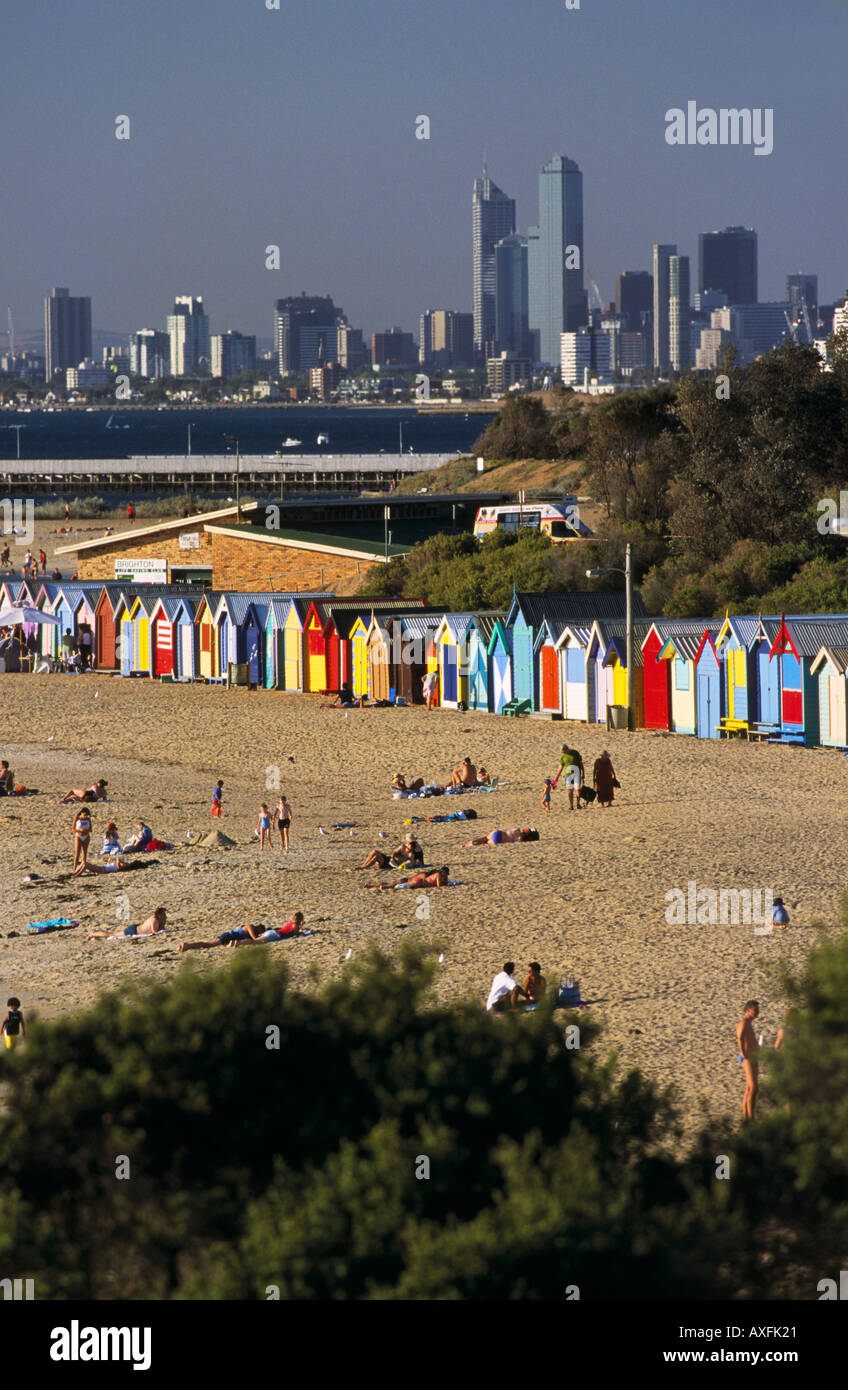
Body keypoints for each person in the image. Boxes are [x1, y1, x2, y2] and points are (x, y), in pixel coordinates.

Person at [736, 1000, 760, 1121]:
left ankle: (747, 1115)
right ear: (748, 1010)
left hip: (752, 1057)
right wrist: (743, 1053)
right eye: (755, 1009)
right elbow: (740, 1038)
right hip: (747, 1058)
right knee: (753, 1087)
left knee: (750, 1088)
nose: (758, 1012)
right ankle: (750, 1117)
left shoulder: (749, 1024)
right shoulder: (744, 1023)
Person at [86, 907, 168, 941]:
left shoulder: (158, 919)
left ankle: (96, 936)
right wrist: (163, 923)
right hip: (133, 931)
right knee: (112, 934)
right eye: (164, 915)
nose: (165, 916)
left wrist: (163, 922)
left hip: (136, 929)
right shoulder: (154, 920)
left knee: (113, 935)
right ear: (160, 915)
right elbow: (154, 931)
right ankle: (93, 933)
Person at [232, 912, 306, 946]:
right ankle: (238, 942)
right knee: (255, 941)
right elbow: (295, 934)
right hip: (275, 935)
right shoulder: (295, 925)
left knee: (255, 941)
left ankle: (239, 942)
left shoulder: (289, 923)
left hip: (272, 932)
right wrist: (301, 926)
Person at [357, 836, 423, 872]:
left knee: (376, 857)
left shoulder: (411, 854)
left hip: (389, 865)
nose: (411, 847)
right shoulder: (402, 847)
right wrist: (392, 857)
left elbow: (411, 863)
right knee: (374, 851)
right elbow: (394, 853)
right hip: (389, 859)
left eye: (413, 846)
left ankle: (364, 867)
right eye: (410, 845)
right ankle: (364, 865)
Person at [364, 866, 450, 890]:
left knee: (391, 883)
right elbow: (439, 886)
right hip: (418, 882)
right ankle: (384, 887)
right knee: (397, 886)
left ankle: (370, 885)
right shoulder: (438, 875)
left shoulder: (425, 874)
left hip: (411, 879)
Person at [553, 745, 584, 810]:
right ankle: (571, 806)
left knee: (577, 789)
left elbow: (581, 763)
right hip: (568, 775)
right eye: (562, 752)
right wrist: (556, 779)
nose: (563, 753)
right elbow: (560, 768)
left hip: (576, 774)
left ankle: (578, 804)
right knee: (570, 790)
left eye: (564, 751)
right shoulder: (563, 757)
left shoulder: (575, 753)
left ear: (567, 749)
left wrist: (583, 773)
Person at [179, 927, 252, 951]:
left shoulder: (248, 929)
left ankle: (188, 946)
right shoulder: (250, 927)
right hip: (228, 937)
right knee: (208, 944)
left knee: (207, 944)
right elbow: (255, 938)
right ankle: (187, 945)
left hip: (227, 937)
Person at [459, 827, 539, 847]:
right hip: (498, 839)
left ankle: (468, 843)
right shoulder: (520, 839)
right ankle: (467, 845)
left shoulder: (517, 829)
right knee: (484, 844)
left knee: (483, 839)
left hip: (497, 832)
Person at [71, 807, 92, 875]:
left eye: (86, 815)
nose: (85, 816)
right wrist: (80, 830)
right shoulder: (77, 819)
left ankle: (83, 866)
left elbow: (91, 829)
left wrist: (86, 831)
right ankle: (74, 868)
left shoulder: (88, 819)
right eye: (84, 814)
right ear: (81, 813)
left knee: (84, 852)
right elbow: (73, 829)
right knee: (77, 852)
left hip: (86, 836)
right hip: (78, 836)